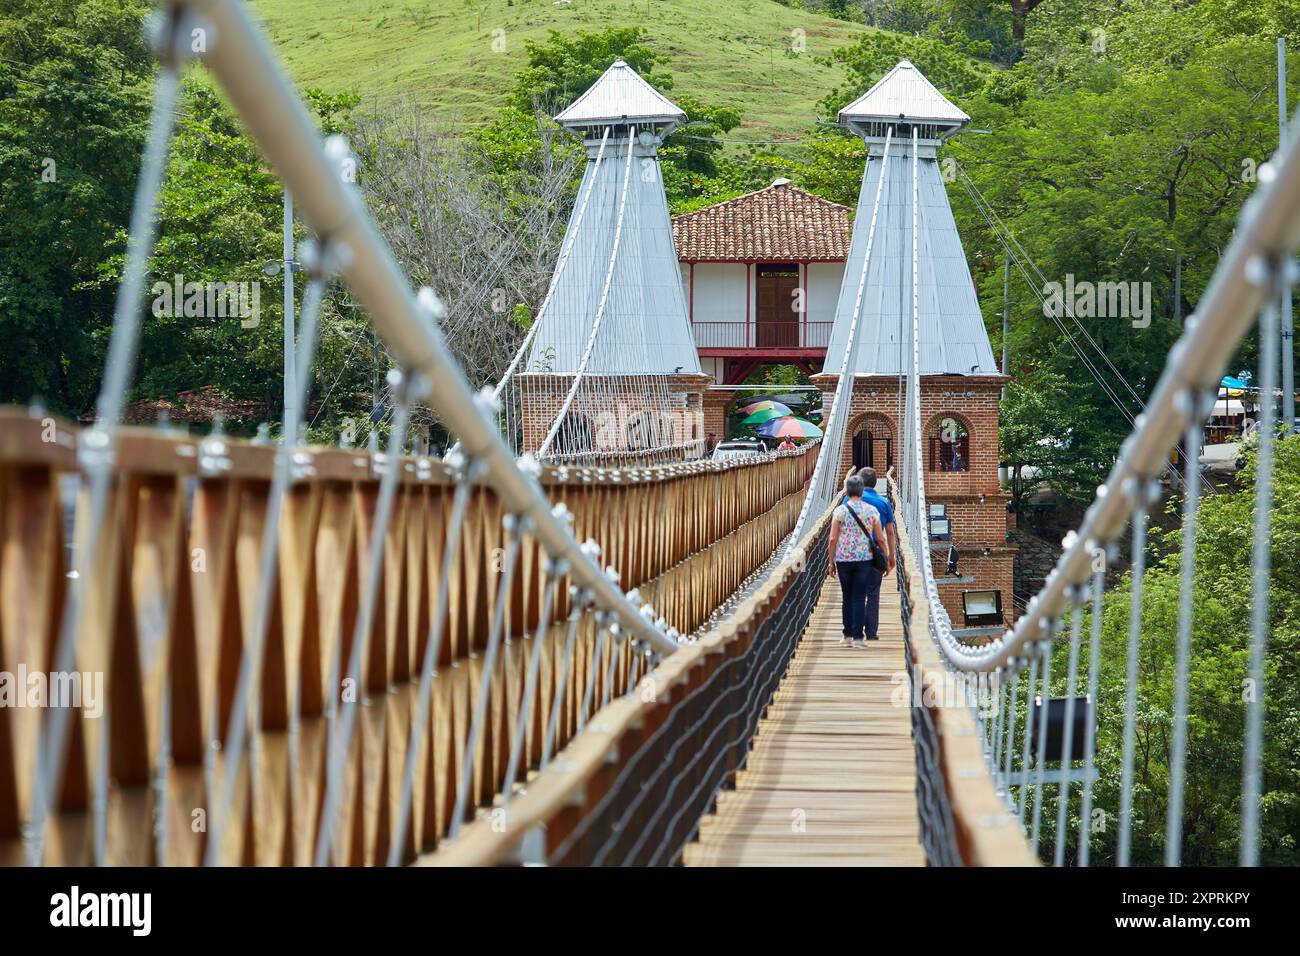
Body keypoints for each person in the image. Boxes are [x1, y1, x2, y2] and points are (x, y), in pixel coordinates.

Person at [827, 474, 887, 648]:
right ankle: (859, 638)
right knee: (860, 596)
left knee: (847, 597)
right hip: (864, 559)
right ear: (862, 491)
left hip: (843, 559)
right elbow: (881, 538)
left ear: (847, 491)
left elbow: (832, 538)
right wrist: (884, 558)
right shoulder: (871, 511)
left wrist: (831, 562)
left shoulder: (840, 511)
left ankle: (847, 636)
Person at [855, 466, 896, 640]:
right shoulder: (883, 503)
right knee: (873, 593)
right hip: (875, 554)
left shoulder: (849, 502)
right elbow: (890, 532)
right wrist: (890, 556)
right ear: (875, 483)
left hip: (854, 554)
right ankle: (871, 632)